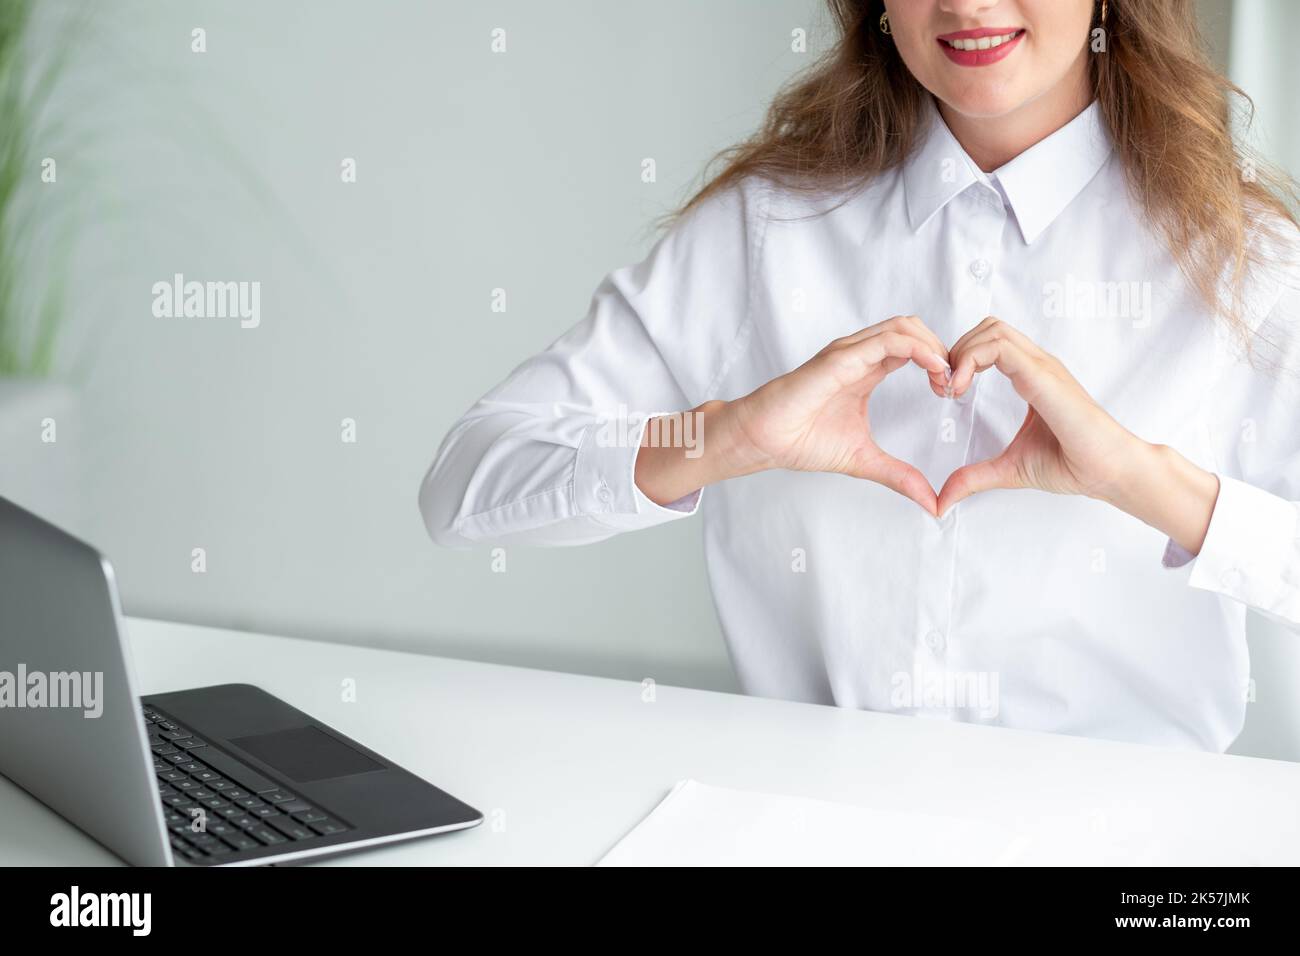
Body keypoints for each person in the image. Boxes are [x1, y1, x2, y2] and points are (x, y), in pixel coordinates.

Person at [420, 0, 1299, 752]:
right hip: (809, 825)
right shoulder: (763, 227)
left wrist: (1147, 481)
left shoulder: (1245, 263)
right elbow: (465, 485)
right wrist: (717, 437)